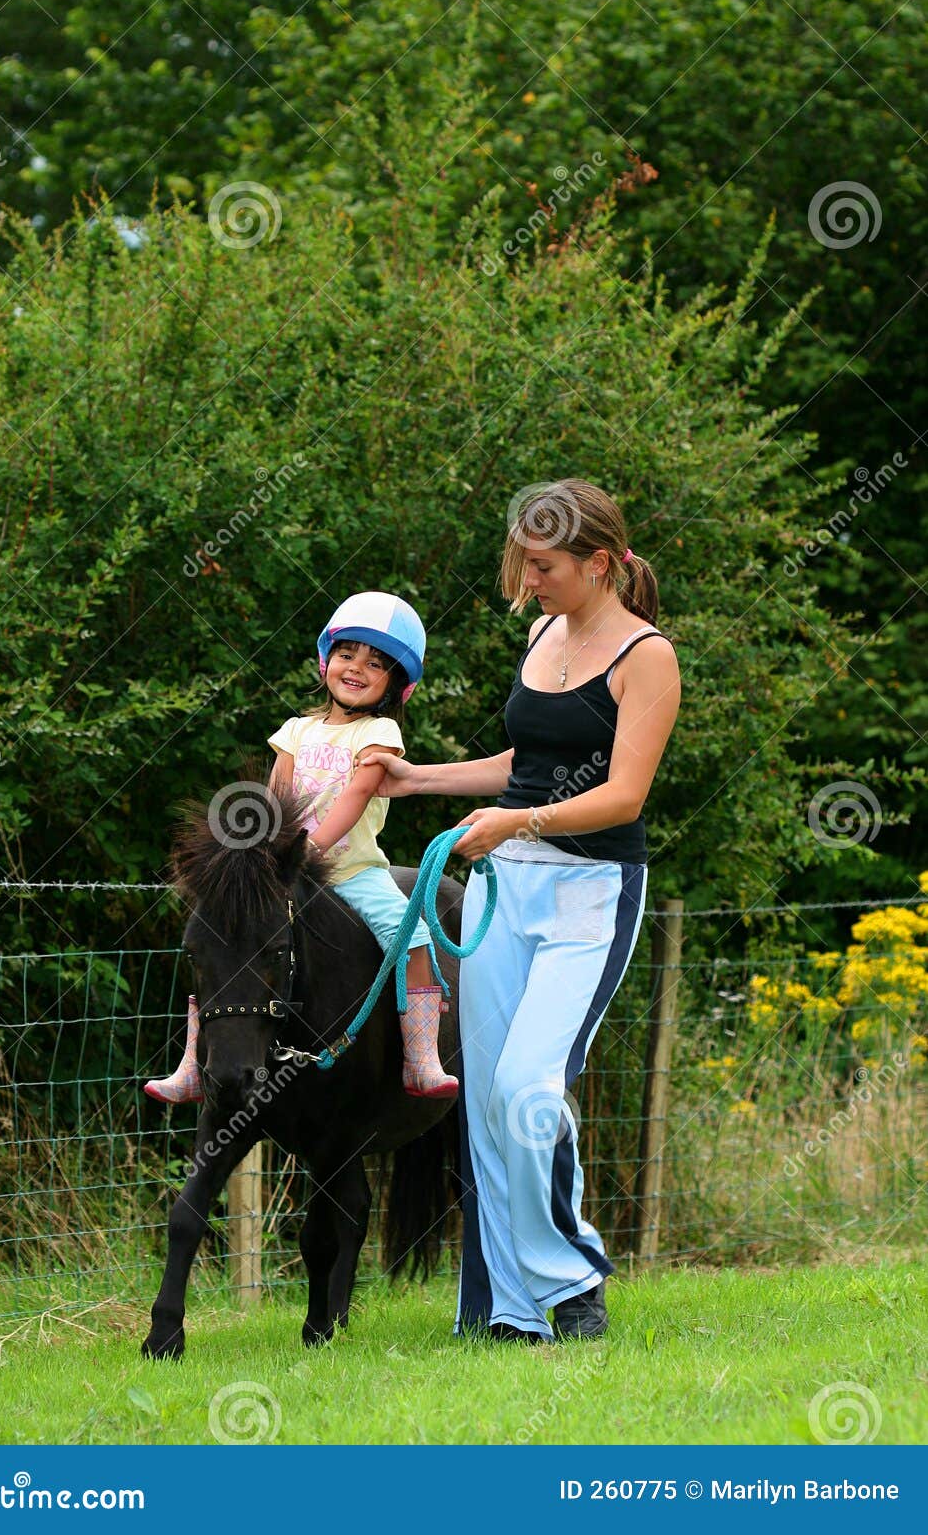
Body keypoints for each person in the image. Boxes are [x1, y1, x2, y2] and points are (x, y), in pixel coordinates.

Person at [372, 481, 681, 1343]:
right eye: (522, 563)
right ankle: (511, 1313)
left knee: (527, 1089)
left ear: (598, 563)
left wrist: (519, 819)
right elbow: (527, 757)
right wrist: (420, 778)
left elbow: (621, 794)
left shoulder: (646, 656)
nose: (528, 582)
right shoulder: (544, 635)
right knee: (482, 1102)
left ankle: (572, 1281)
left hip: (588, 897)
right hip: (506, 887)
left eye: (542, 567)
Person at [144, 590, 458, 1103]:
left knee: (413, 936)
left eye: (376, 663)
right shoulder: (296, 731)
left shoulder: (378, 733)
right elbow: (275, 796)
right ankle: (193, 1063)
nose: (356, 668)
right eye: (347, 654)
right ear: (325, 660)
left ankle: (420, 1055)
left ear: (396, 685)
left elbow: (358, 793)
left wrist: (310, 847)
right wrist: (257, 855)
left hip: (353, 870)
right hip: (286, 871)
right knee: (226, 938)